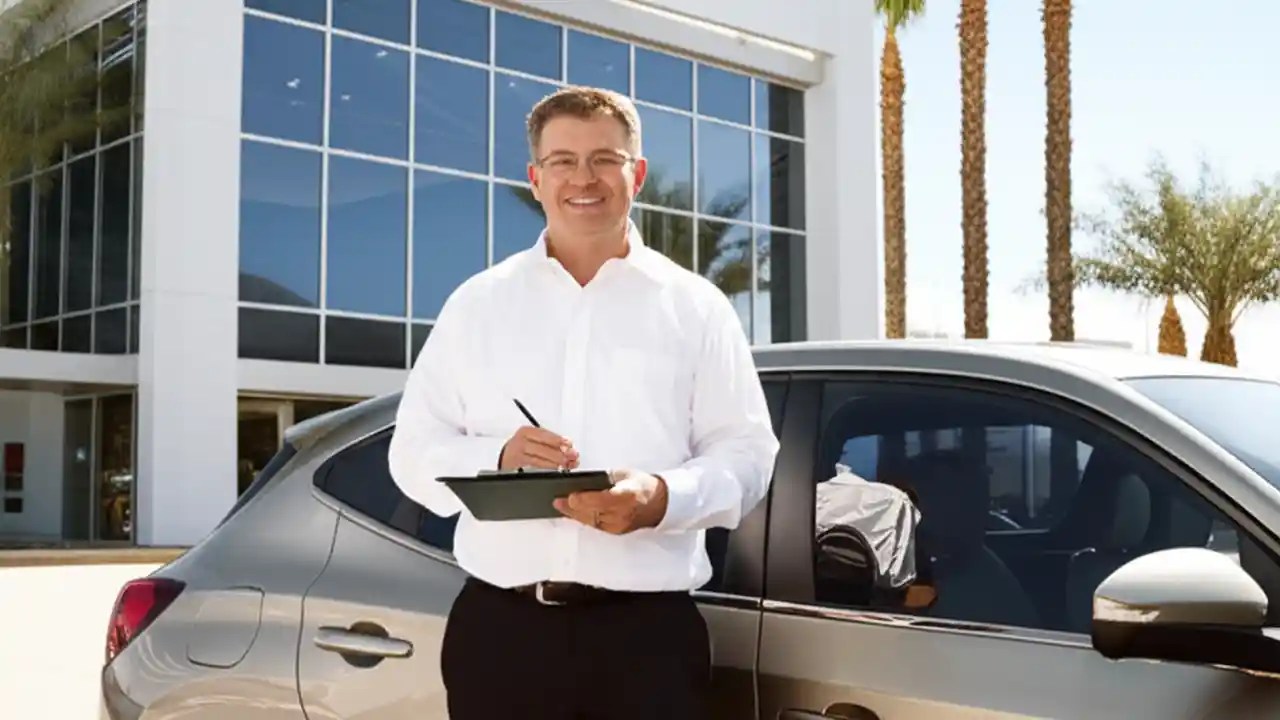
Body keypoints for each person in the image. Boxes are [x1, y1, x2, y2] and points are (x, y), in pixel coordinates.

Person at [387, 85, 780, 719]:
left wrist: (660, 499)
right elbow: (411, 452)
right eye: (564, 161)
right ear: (536, 178)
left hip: (648, 641)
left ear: (638, 173)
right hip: (500, 638)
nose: (584, 177)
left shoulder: (697, 308)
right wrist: (500, 457)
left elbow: (748, 453)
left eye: (605, 158)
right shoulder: (476, 305)